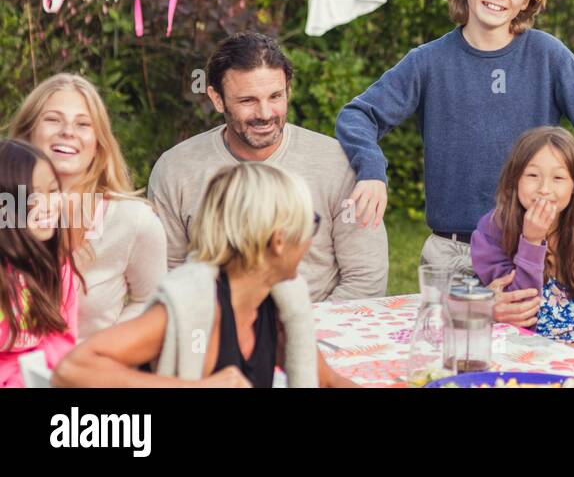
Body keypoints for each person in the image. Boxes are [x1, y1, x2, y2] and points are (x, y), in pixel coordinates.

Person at [336, 0, 574, 279]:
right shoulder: (428, 62)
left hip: (532, 245)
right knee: (446, 335)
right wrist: (372, 170)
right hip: (452, 252)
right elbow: (359, 115)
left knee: (532, 336)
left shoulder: (548, 56)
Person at [53, 162, 356, 387]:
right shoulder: (195, 305)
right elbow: (73, 369)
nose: (310, 239)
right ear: (278, 240)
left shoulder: (276, 303)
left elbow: (327, 381)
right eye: (310, 224)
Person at [149, 32, 387, 302]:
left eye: (275, 96)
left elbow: (366, 277)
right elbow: (165, 276)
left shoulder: (337, 162)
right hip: (215, 329)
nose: (264, 114)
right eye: (247, 101)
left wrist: (303, 331)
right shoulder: (175, 169)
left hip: (321, 325)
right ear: (217, 99)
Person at [7, 74, 166, 338]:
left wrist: (99, 351)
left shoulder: (132, 219)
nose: (67, 131)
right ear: (27, 133)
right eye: (53, 119)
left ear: (98, 145)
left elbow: (153, 302)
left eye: (83, 124)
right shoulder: (7, 209)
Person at [470, 126, 574, 354]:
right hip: (509, 353)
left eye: (558, 177)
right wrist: (531, 243)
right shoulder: (492, 230)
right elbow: (517, 310)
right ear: (514, 179)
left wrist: (572, 352)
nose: (544, 189)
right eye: (532, 175)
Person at [0, 138, 81, 386]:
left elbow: (60, 339)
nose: (48, 206)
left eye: (53, 191)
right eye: (33, 196)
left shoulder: (57, 265)